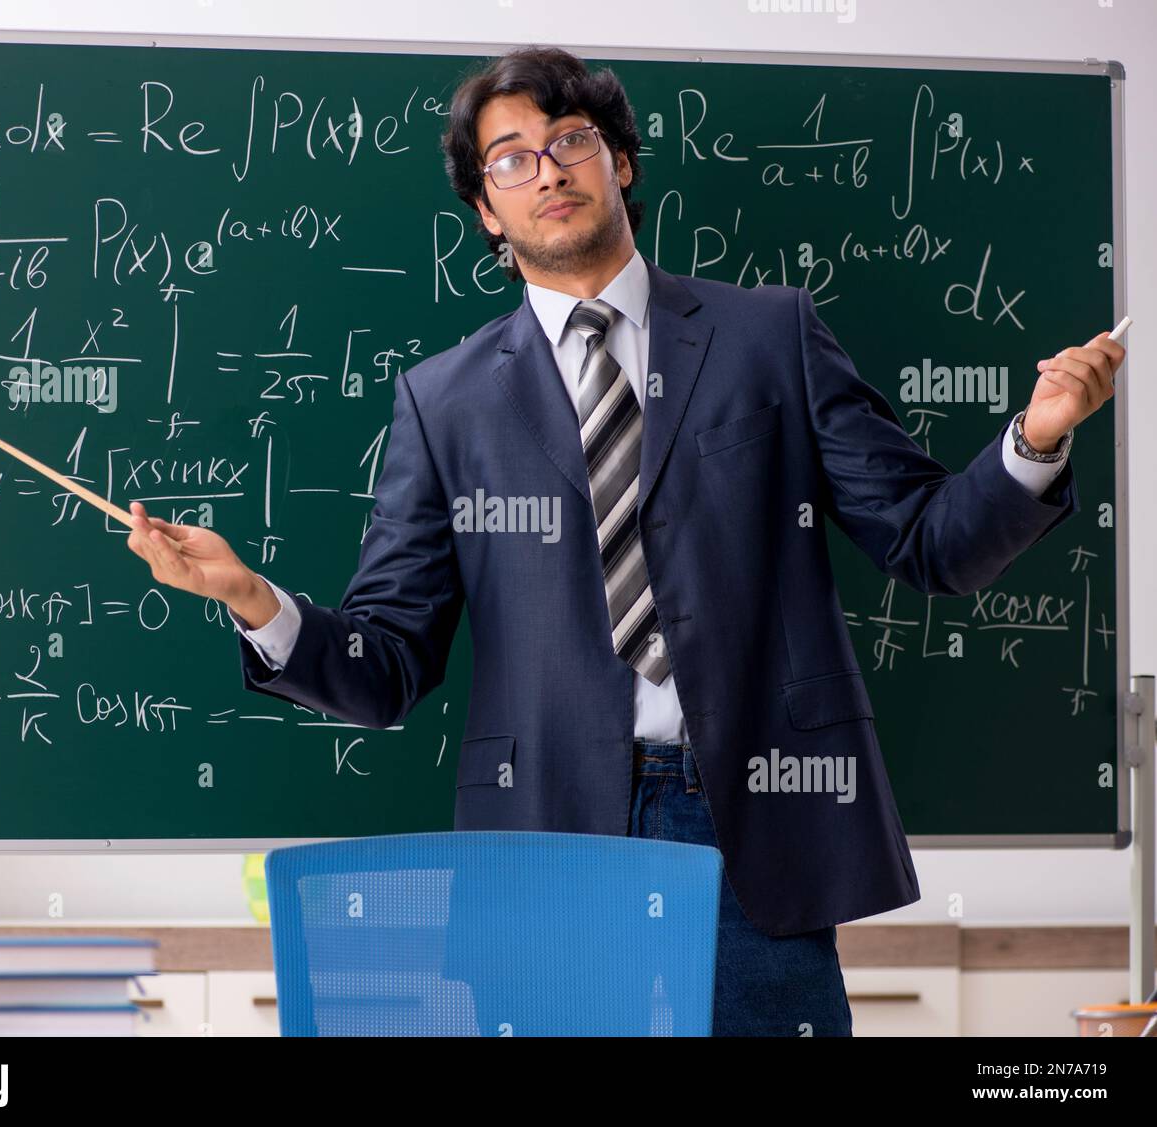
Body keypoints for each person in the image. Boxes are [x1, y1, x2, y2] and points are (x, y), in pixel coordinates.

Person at [125, 46, 1124, 1035]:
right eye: (509, 157)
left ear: (622, 163)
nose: (547, 169)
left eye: (569, 140)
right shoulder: (444, 401)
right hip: (543, 838)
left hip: (749, 822)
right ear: (484, 207)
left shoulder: (768, 335)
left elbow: (927, 541)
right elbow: (387, 666)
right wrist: (252, 597)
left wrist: (1032, 437)